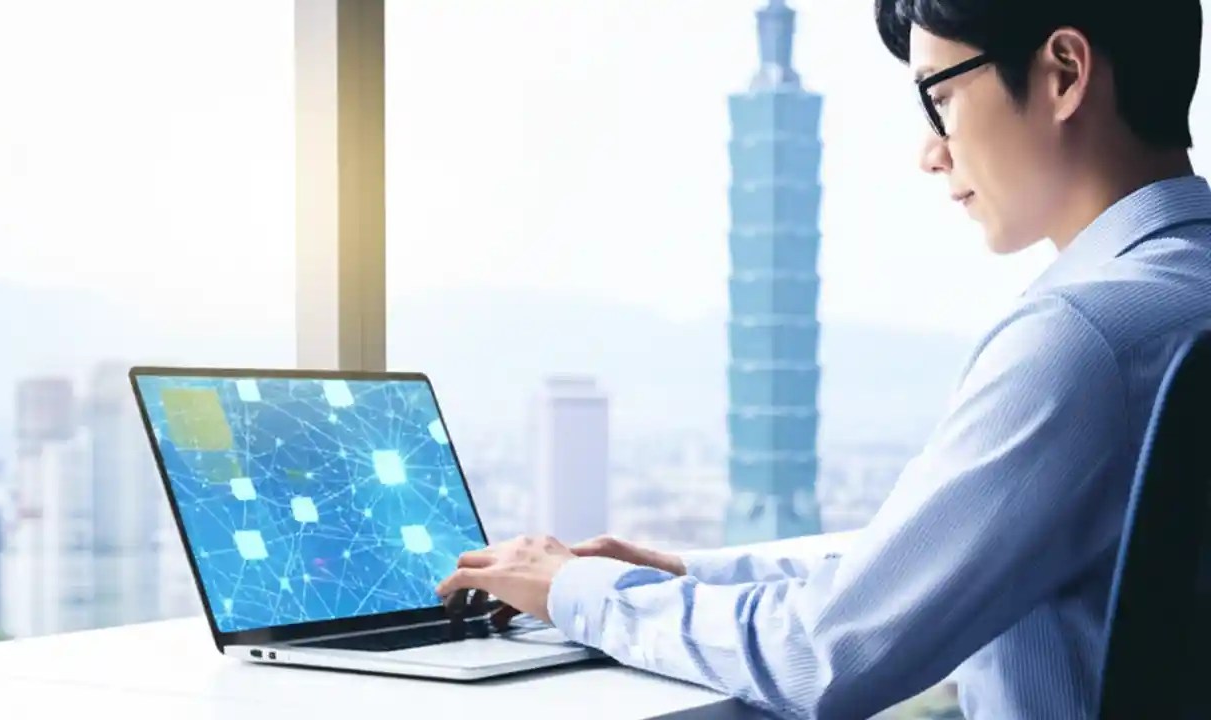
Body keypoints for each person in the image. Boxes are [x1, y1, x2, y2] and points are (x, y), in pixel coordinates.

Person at [435, 0, 1211, 717]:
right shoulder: (1183, 301)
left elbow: (827, 655)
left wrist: (578, 591)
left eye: (937, 97)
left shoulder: (1079, 340)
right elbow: (918, 569)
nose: (929, 152)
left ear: (1064, 74)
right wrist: (683, 574)